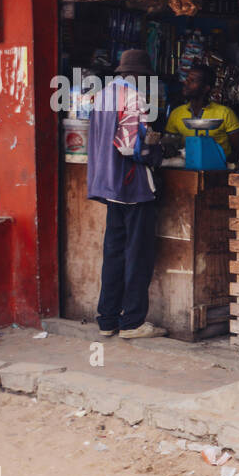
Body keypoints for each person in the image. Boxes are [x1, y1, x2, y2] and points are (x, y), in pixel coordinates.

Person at [86, 48, 167, 340]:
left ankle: (107, 319)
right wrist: (156, 151)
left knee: (114, 253)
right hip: (133, 187)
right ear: (137, 75)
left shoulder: (103, 95)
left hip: (109, 186)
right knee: (138, 255)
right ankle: (132, 323)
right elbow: (130, 147)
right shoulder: (134, 98)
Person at [164, 65, 239, 162]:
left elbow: (238, 150)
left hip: (219, 171)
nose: (186, 82)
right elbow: (169, 146)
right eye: (187, 79)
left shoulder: (225, 113)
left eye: (192, 81)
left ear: (206, 88)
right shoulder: (176, 113)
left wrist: (223, 165)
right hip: (185, 169)